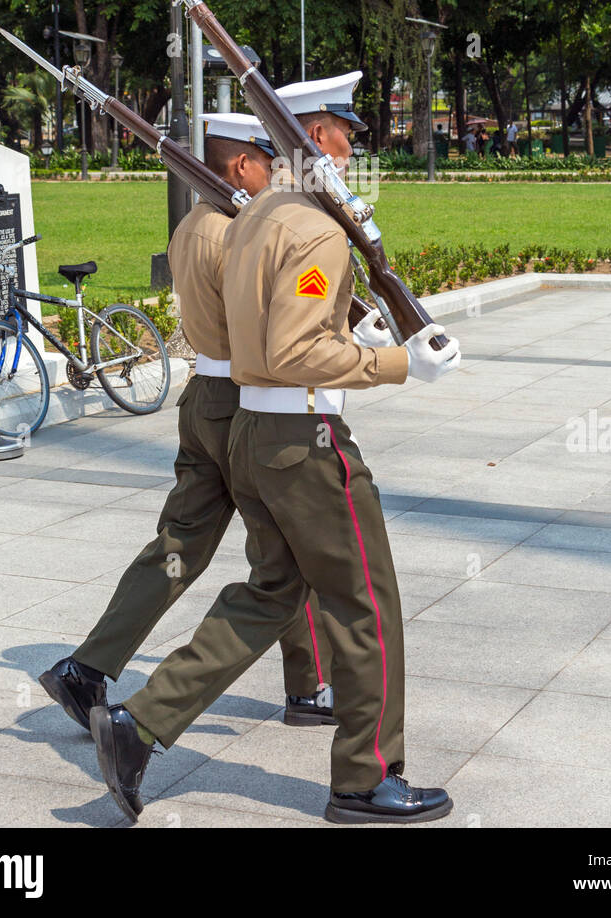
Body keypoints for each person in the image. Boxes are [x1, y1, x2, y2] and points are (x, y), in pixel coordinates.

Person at [90, 72, 462, 825]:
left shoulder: (255, 215)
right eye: (346, 131)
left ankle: (139, 723)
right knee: (366, 606)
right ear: (316, 134)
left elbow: (271, 332)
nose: (355, 146)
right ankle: (366, 779)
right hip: (307, 441)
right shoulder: (316, 228)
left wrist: (349, 332)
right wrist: (400, 364)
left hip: (256, 433)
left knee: (271, 593)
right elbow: (295, 352)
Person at [39, 112, 337, 739]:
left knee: (179, 545)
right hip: (243, 402)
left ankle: (87, 666)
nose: (278, 171)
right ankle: (305, 689)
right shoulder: (238, 233)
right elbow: (273, 330)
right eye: (269, 159)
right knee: (287, 549)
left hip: (204, 395)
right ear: (241, 165)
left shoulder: (195, 226)